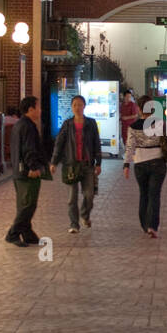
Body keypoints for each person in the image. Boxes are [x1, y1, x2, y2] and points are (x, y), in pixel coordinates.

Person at [51, 94, 102, 234]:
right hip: (71, 165)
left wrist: (98, 162)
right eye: (75, 105)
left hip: (87, 164)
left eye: (80, 104)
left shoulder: (91, 123)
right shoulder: (67, 124)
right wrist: (54, 162)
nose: (77, 107)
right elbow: (59, 144)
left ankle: (85, 215)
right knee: (71, 198)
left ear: (84, 106)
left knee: (89, 195)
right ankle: (74, 224)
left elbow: (96, 143)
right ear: (71, 107)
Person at [5, 96, 48, 247]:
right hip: (27, 173)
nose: (40, 110)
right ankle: (13, 233)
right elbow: (29, 149)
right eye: (38, 107)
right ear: (31, 109)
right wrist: (33, 167)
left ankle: (28, 233)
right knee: (28, 204)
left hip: (19, 171)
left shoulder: (20, 125)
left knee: (25, 203)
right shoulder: (28, 126)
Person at [124, 94, 166, 237]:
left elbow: (130, 147)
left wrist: (126, 165)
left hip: (140, 163)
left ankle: (144, 225)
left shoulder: (132, 127)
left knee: (144, 194)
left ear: (139, 109)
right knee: (154, 195)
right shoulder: (160, 123)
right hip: (158, 162)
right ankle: (152, 227)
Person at [119, 90, 140, 154]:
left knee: (131, 139)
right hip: (124, 126)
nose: (129, 98)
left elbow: (136, 115)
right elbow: (120, 113)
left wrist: (126, 118)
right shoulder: (122, 105)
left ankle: (131, 152)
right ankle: (128, 152)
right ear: (124, 97)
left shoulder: (132, 105)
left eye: (130, 97)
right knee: (124, 138)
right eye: (127, 97)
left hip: (131, 126)